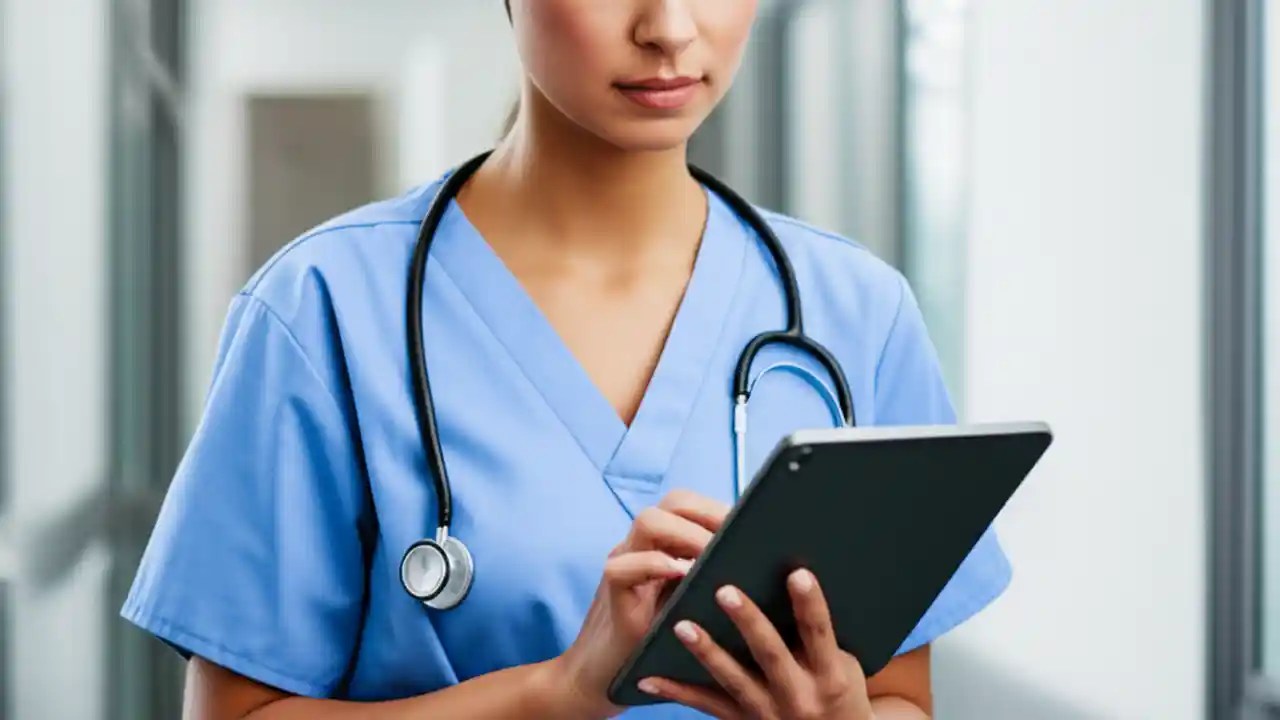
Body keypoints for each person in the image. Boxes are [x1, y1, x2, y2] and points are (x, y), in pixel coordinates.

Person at [120, 1, 1012, 718]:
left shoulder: (858, 314)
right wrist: (558, 694)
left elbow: (900, 697)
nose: (668, 27)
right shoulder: (324, 310)